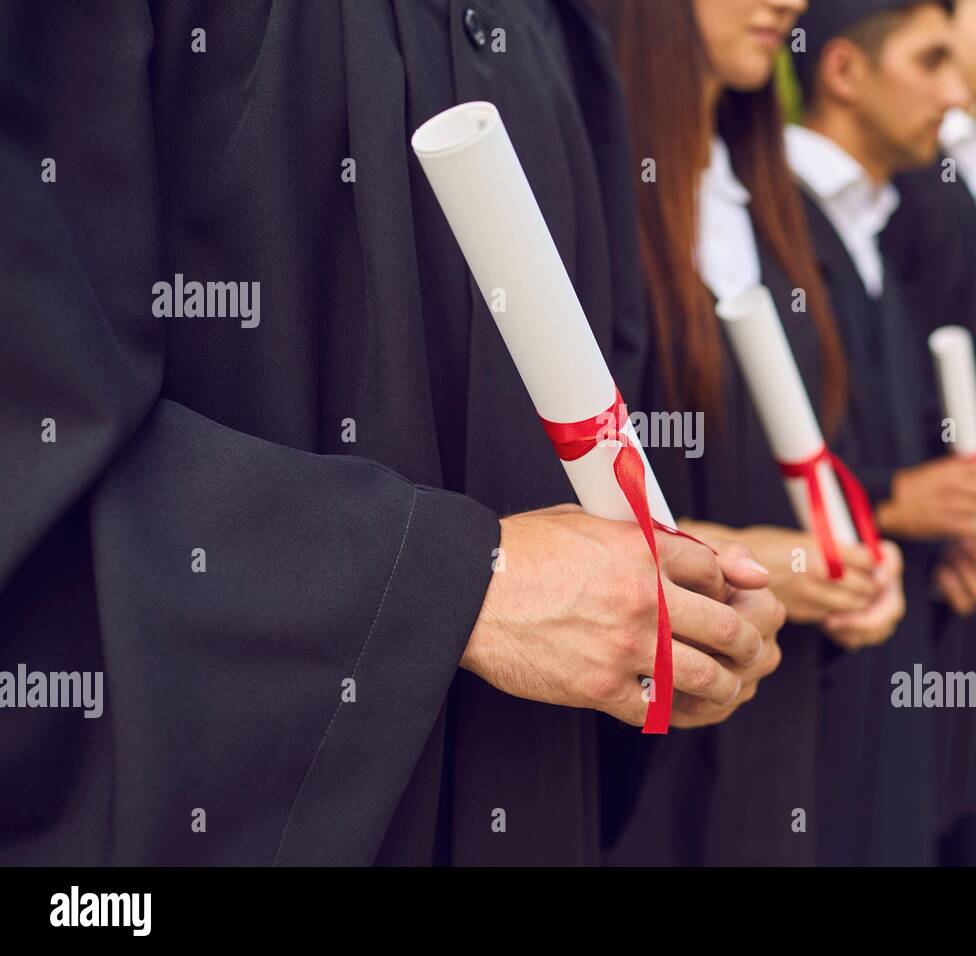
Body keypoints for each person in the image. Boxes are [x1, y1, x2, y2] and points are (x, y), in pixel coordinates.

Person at [0, 0, 786, 866]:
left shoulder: (557, 27)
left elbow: (596, 395)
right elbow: (32, 433)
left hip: (537, 791)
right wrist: (459, 579)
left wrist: (664, 589)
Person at [592, 0, 908, 866]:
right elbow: (523, 493)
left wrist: (855, 560)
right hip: (636, 722)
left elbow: (821, 442)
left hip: (782, 699)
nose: (791, 3)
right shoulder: (586, 189)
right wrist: (748, 554)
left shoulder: (769, 203)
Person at [788, 0, 976, 865]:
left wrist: (943, 521)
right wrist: (890, 499)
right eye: (931, 64)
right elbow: (737, 457)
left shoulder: (874, 225)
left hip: (893, 630)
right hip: (803, 667)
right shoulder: (766, 219)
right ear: (844, 71)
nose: (955, 96)